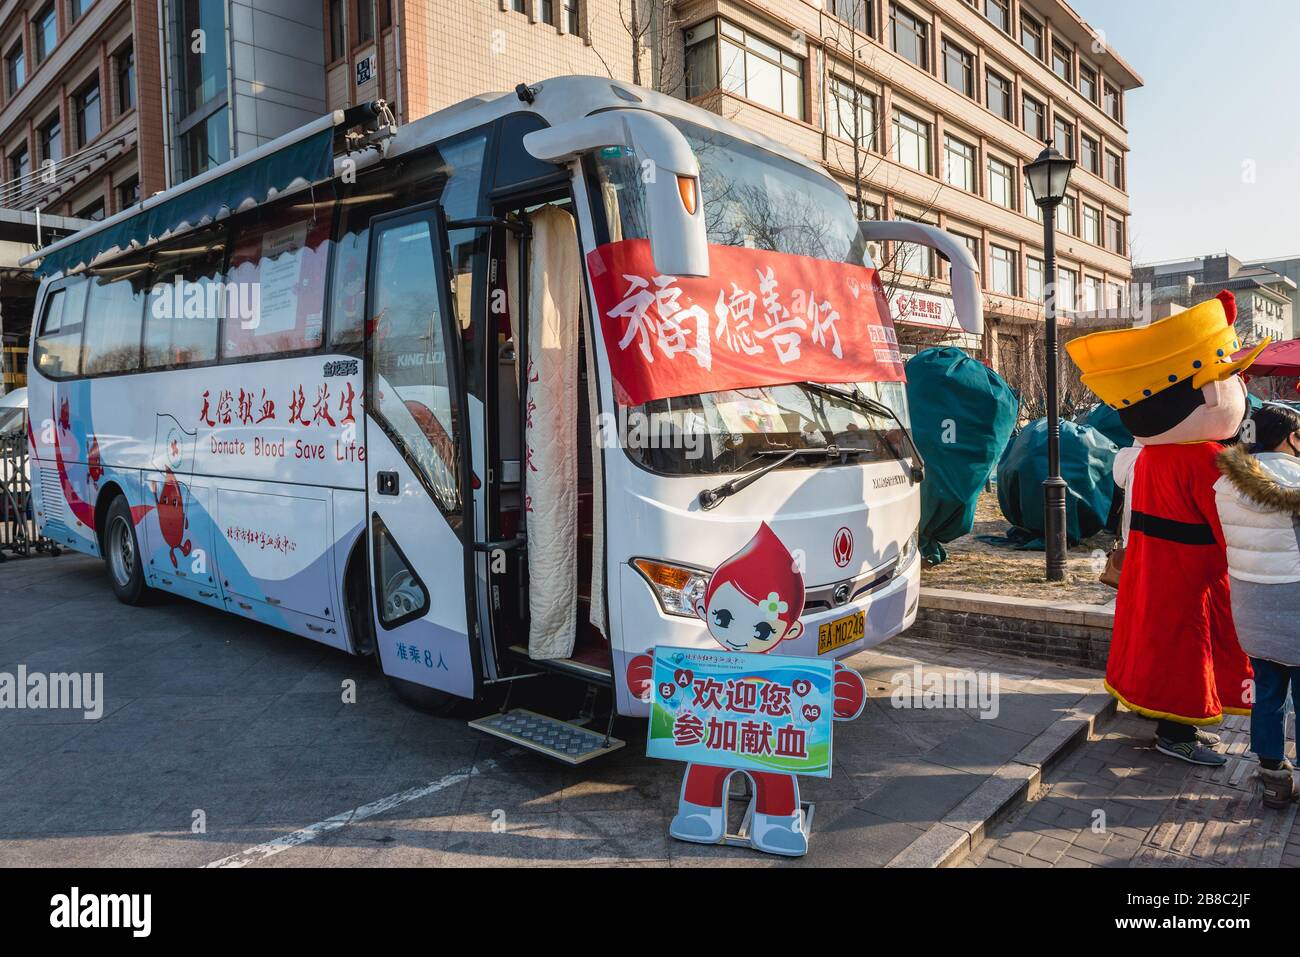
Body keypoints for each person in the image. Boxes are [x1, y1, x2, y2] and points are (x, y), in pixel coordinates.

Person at [1066, 291, 1270, 765]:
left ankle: (1180, 722)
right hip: (1190, 576)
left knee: (1158, 643)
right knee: (1187, 650)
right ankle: (1176, 734)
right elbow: (1233, 525)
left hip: (1151, 565)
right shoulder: (1206, 459)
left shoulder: (1150, 455)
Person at [1214, 403, 1300, 807]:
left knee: (1267, 689)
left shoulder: (1228, 484)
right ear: (1290, 437)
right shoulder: (1296, 480)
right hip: (1294, 596)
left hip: (1250, 597)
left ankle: (1271, 773)